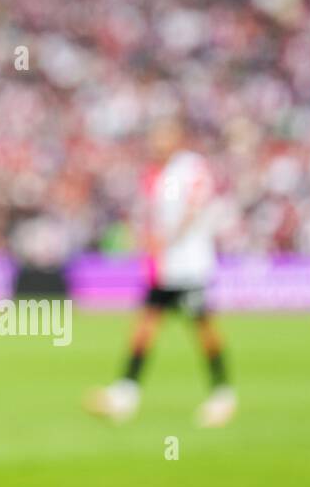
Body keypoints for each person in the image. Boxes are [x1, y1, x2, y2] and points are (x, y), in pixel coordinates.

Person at [85, 117, 237, 427]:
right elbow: (152, 216)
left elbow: (194, 208)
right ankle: (125, 394)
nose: (156, 143)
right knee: (147, 323)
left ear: (177, 137)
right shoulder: (156, 173)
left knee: (201, 326)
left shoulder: (190, 167)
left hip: (189, 265)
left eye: (163, 136)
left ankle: (222, 394)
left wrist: (169, 239)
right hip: (166, 266)